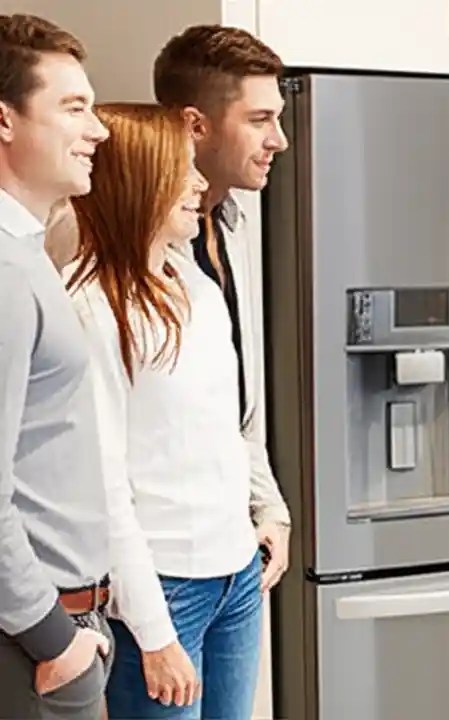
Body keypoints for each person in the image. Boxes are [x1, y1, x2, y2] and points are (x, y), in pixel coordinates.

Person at [64, 103, 261, 718]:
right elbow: (104, 484)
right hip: (163, 588)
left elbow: (224, 430)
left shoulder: (196, 286)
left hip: (238, 578)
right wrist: (154, 633)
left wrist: (262, 515)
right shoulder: (89, 309)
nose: (200, 184)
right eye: (182, 170)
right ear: (137, 181)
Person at [0, 14, 114, 719]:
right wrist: (52, 637)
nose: (98, 129)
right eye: (73, 107)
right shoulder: (5, 273)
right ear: (5, 122)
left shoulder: (26, 259)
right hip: (31, 646)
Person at [152, 24, 292, 596]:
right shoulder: (131, 245)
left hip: (235, 549)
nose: (279, 139)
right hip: (167, 565)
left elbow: (237, 405)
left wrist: (270, 507)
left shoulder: (236, 223)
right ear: (195, 125)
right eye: (260, 120)